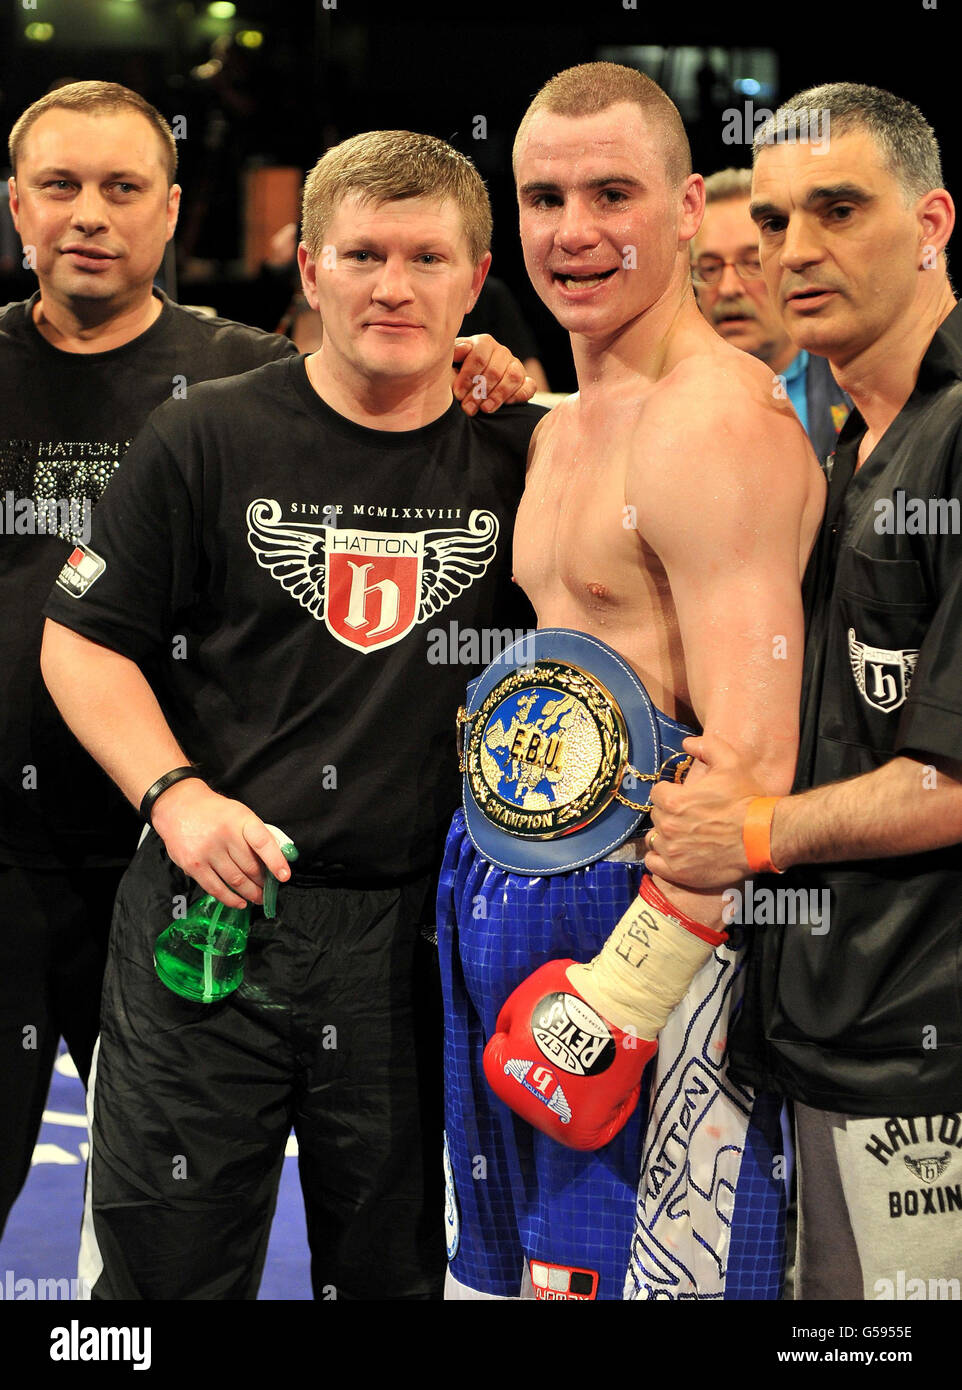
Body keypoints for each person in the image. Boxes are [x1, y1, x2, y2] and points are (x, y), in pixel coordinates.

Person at [0, 80, 530, 1248]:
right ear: (309, 268)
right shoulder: (209, 430)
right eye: (362, 256)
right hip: (192, 900)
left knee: (386, 1270)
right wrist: (177, 795)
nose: (392, 285)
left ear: (477, 274)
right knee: (160, 1276)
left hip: (413, 935)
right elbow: (82, 635)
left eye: (427, 258)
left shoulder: (530, 446)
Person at [437, 62, 825, 1301]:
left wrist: (623, 992)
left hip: (637, 925)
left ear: (685, 208)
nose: (573, 230)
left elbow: (751, 765)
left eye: (612, 192)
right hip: (505, 891)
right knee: (515, 1285)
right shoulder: (570, 417)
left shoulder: (711, 424)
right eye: (543, 197)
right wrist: (524, 386)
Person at [644, 82, 962, 1301]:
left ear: (930, 220)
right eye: (772, 222)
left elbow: (948, 782)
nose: (794, 251)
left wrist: (752, 833)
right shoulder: (845, 433)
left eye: (838, 208)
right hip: (825, 1030)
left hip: (922, 1056)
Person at [691, 166, 850, 465]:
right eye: (710, 268)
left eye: (752, 263)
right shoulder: (667, 403)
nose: (728, 289)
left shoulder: (859, 386)